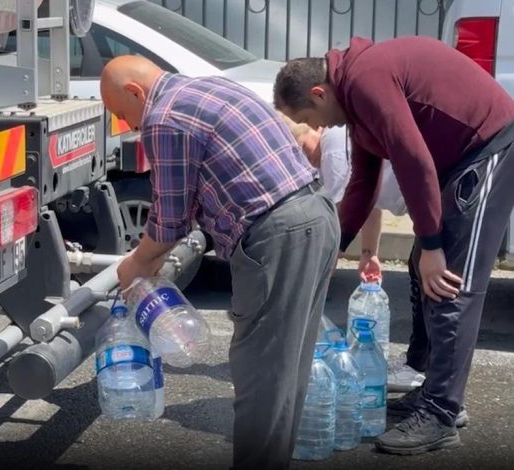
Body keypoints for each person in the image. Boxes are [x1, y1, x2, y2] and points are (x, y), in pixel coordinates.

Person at [273, 35, 514, 455]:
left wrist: (433, 243)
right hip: (460, 157)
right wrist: (334, 251)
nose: (318, 129)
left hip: (491, 144)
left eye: (312, 119)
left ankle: (441, 413)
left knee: (450, 280)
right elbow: (362, 184)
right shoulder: (353, 94)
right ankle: (433, 392)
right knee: (426, 268)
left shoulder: (366, 78)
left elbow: (411, 156)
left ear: (318, 92)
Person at [101, 55, 339, 468]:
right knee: (287, 372)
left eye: (124, 114)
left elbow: (170, 219)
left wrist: (135, 265)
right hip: (316, 216)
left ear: (136, 93)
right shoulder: (209, 87)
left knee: (261, 377)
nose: (131, 126)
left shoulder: (164, 117)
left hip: (278, 234)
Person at [278, 115, 426, 392]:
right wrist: (369, 252)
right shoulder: (331, 148)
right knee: (420, 274)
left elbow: (336, 226)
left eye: (302, 149)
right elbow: (368, 201)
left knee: (429, 281)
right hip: (424, 196)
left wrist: (314, 280)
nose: (305, 160)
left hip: (435, 192)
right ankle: (418, 367)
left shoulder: (332, 149)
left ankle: (429, 377)